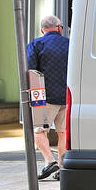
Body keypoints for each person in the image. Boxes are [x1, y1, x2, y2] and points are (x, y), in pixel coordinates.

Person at [27, 14, 70, 180]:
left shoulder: (36, 44)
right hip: (67, 96)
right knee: (63, 133)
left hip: (44, 96)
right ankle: (62, 167)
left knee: (38, 131)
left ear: (42, 30)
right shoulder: (70, 44)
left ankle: (49, 161)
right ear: (59, 28)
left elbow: (30, 70)